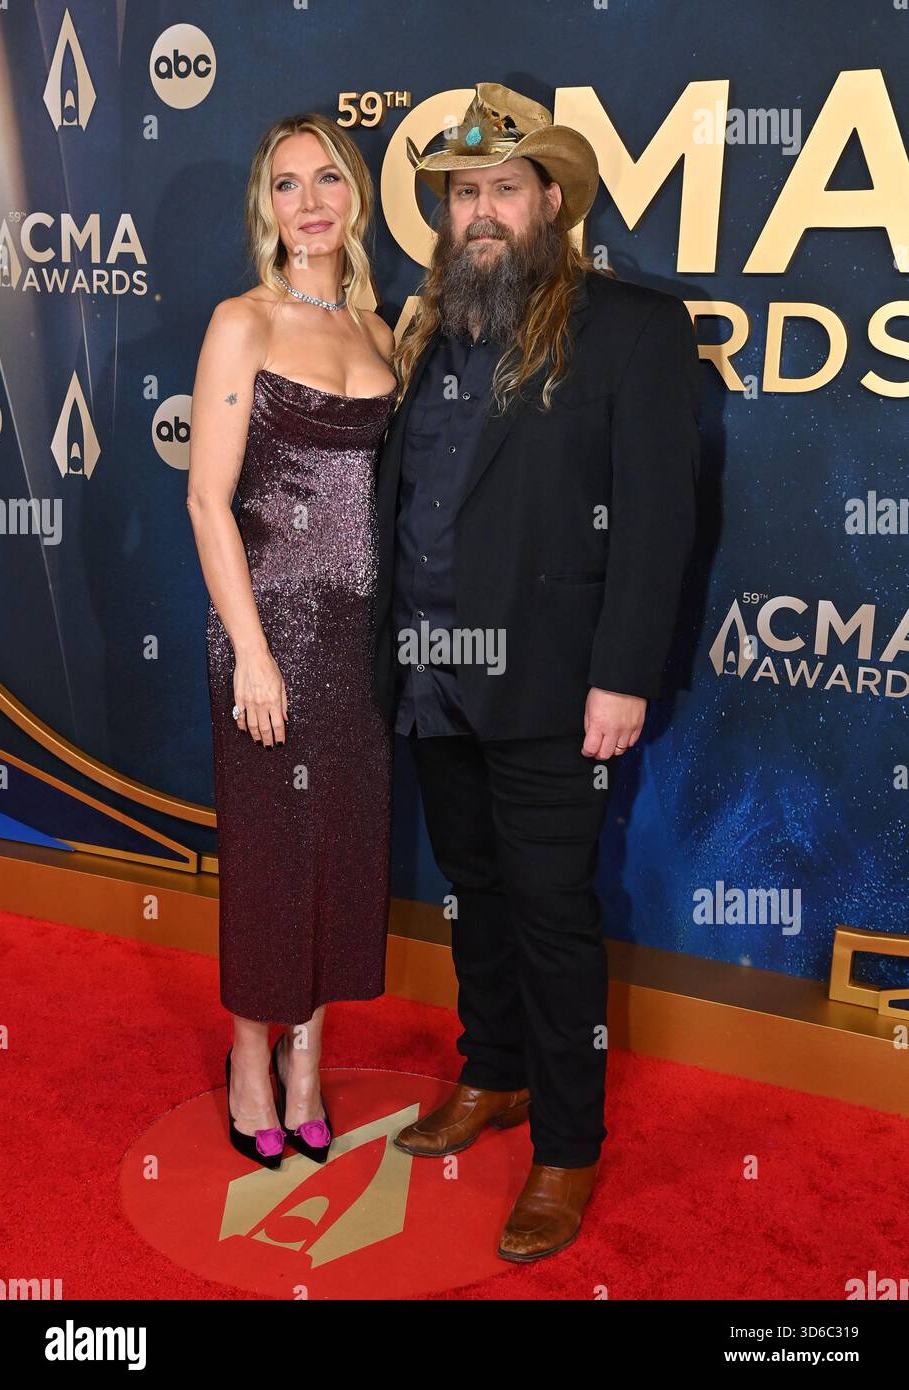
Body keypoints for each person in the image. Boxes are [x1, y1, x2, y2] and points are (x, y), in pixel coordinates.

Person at [374, 83, 700, 1258]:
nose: (480, 213)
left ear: (549, 200)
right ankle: (493, 1072)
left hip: (555, 685)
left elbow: (659, 520)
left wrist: (620, 677)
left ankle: (565, 1147)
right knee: (474, 892)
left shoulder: (630, 328)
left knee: (555, 916)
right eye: (461, 193)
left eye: (502, 189)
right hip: (430, 670)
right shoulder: (424, 332)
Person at [187, 113, 397, 1170]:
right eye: (283, 184)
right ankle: (248, 1063)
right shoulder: (244, 322)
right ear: (263, 206)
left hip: (362, 652)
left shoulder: (378, 330)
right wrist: (254, 652)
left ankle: (309, 1064)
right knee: (270, 863)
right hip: (266, 639)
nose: (308, 200)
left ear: (354, 197)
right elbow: (207, 500)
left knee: (340, 863)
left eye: (326, 179)